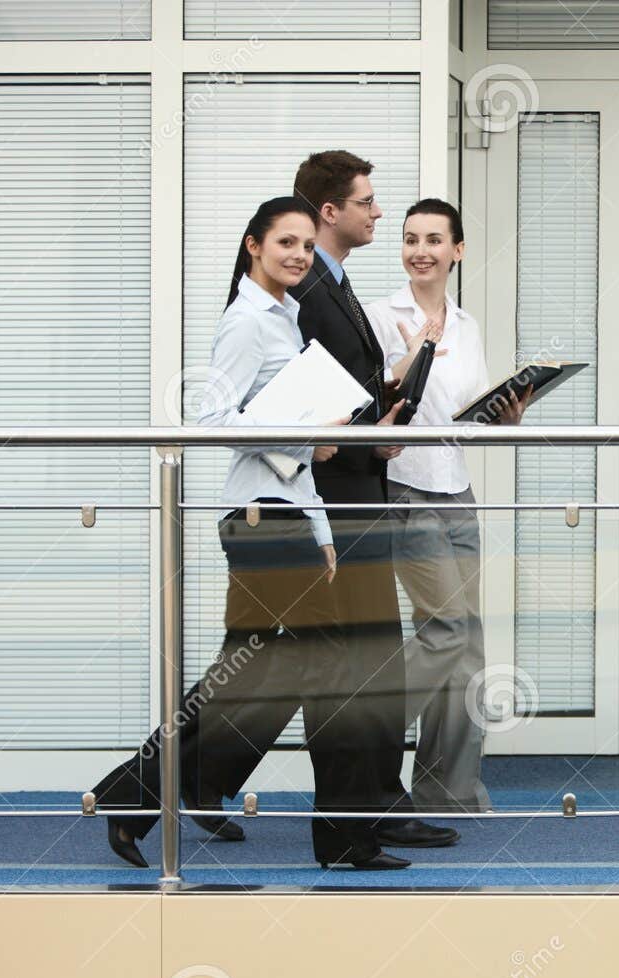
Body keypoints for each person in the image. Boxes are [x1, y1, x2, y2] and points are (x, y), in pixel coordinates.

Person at [91, 196, 408, 871]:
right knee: (327, 674)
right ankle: (342, 837)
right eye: (284, 242)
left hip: (285, 516)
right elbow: (211, 420)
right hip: (263, 520)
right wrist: (307, 441)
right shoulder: (246, 322)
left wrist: (321, 526)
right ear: (252, 246)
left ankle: (139, 791)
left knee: (255, 678)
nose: (297, 254)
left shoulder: (287, 319)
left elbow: (302, 442)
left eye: (302, 244)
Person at [286, 151, 460, 849]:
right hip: (334, 499)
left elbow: (344, 392)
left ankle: (371, 809)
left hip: (361, 490)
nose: (379, 213)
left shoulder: (336, 285)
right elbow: (300, 407)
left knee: (367, 661)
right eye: (367, 201)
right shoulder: (306, 293)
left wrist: (387, 400)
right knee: (335, 667)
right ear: (333, 210)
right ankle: (169, 784)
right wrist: (368, 436)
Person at [364, 198, 527, 814]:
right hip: (403, 487)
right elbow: (370, 403)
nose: (420, 250)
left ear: (457, 250)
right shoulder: (380, 317)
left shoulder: (467, 325)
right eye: (410, 239)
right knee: (444, 630)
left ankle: (446, 791)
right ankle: (361, 730)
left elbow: (466, 420)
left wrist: (507, 417)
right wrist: (413, 355)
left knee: (469, 645)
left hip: (456, 487)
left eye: (435, 239)